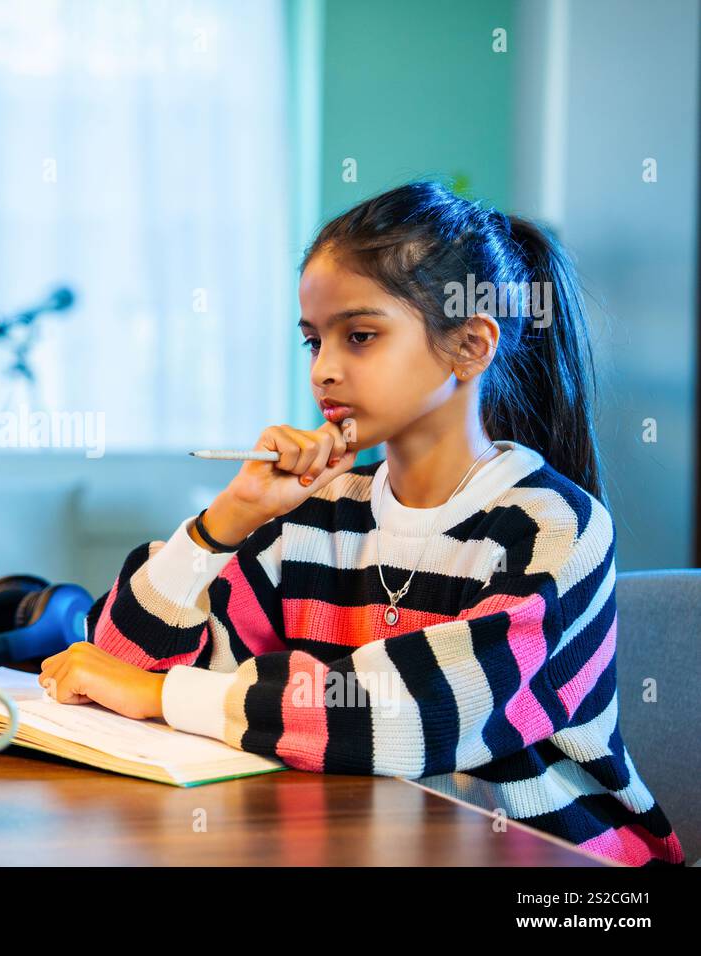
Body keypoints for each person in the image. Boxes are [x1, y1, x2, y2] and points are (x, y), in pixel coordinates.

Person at [38, 180, 685, 867]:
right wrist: (226, 522)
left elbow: (413, 713)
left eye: (360, 337)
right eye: (314, 341)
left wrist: (163, 695)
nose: (325, 370)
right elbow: (117, 666)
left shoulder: (553, 530)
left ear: (468, 346)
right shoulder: (317, 515)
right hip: (368, 839)